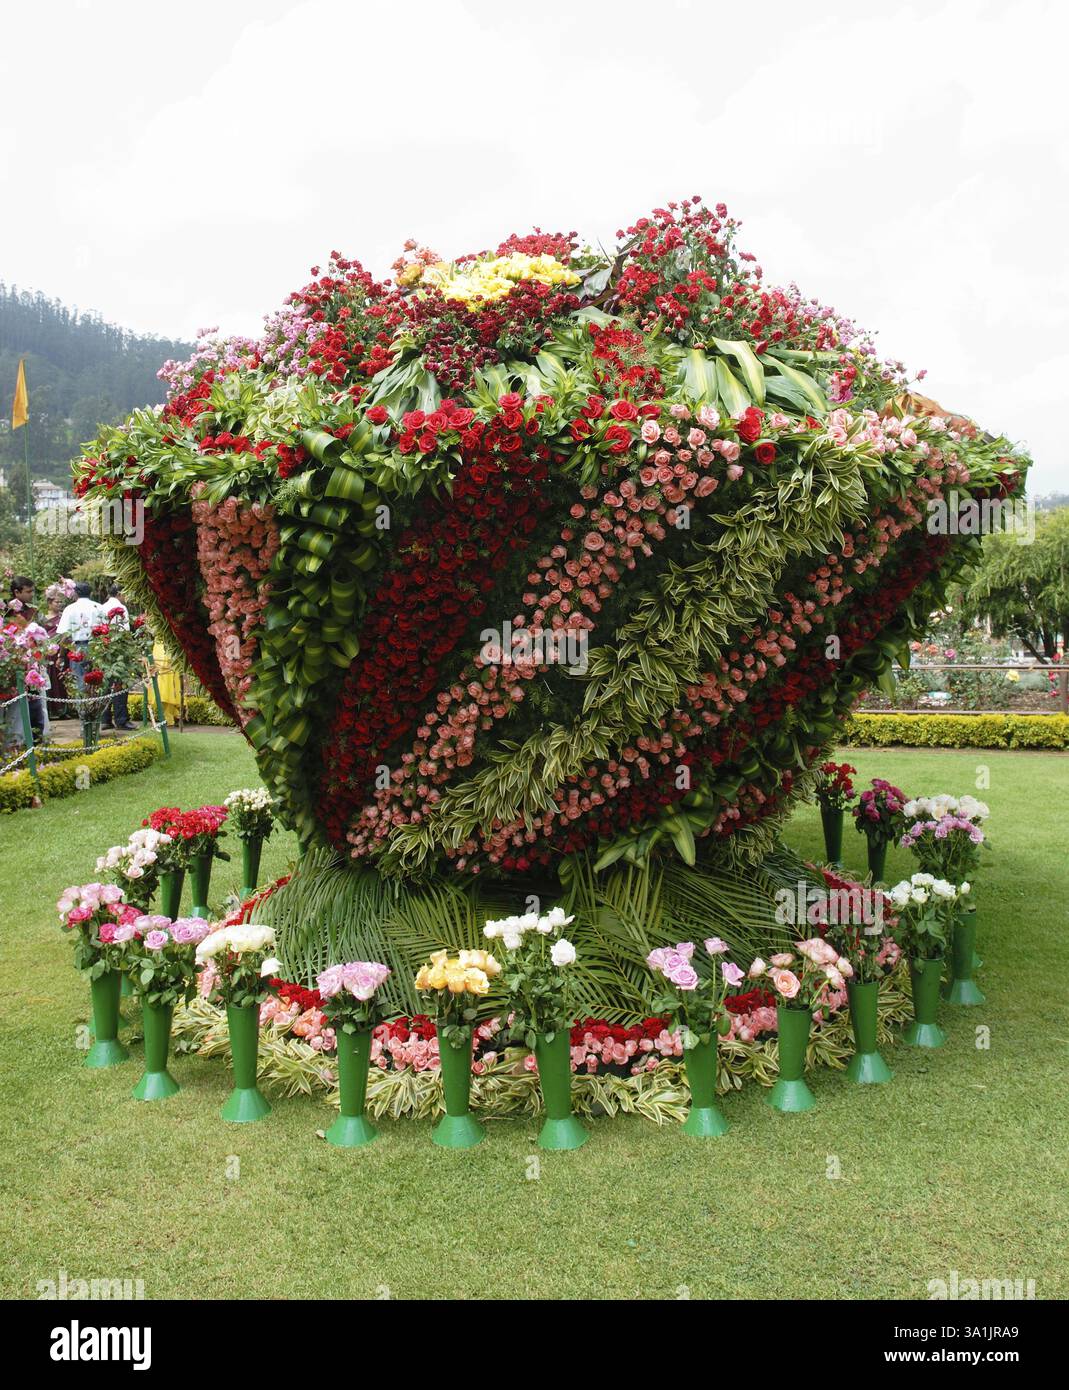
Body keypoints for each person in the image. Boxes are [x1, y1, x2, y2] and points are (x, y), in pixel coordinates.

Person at [7, 575, 48, 741]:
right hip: (15, 664)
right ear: (16, 592)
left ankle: (37, 739)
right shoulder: (7, 613)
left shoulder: (32, 610)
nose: (31, 594)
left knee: (36, 704)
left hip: (33, 664)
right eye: (28, 591)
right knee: (18, 707)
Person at [56, 581, 104, 697]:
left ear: (76, 593)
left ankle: (83, 712)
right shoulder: (98, 607)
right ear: (90, 593)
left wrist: (61, 656)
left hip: (78, 648)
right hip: (97, 647)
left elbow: (65, 635)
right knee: (98, 681)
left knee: (80, 681)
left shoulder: (70, 609)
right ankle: (97, 711)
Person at [99, 584, 133, 730]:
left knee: (106, 684)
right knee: (120, 684)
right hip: (119, 648)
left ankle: (105, 719)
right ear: (119, 593)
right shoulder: (121, 608)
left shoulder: (102, 607)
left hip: (104, 648)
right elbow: (125, 631)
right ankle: (121, 719)